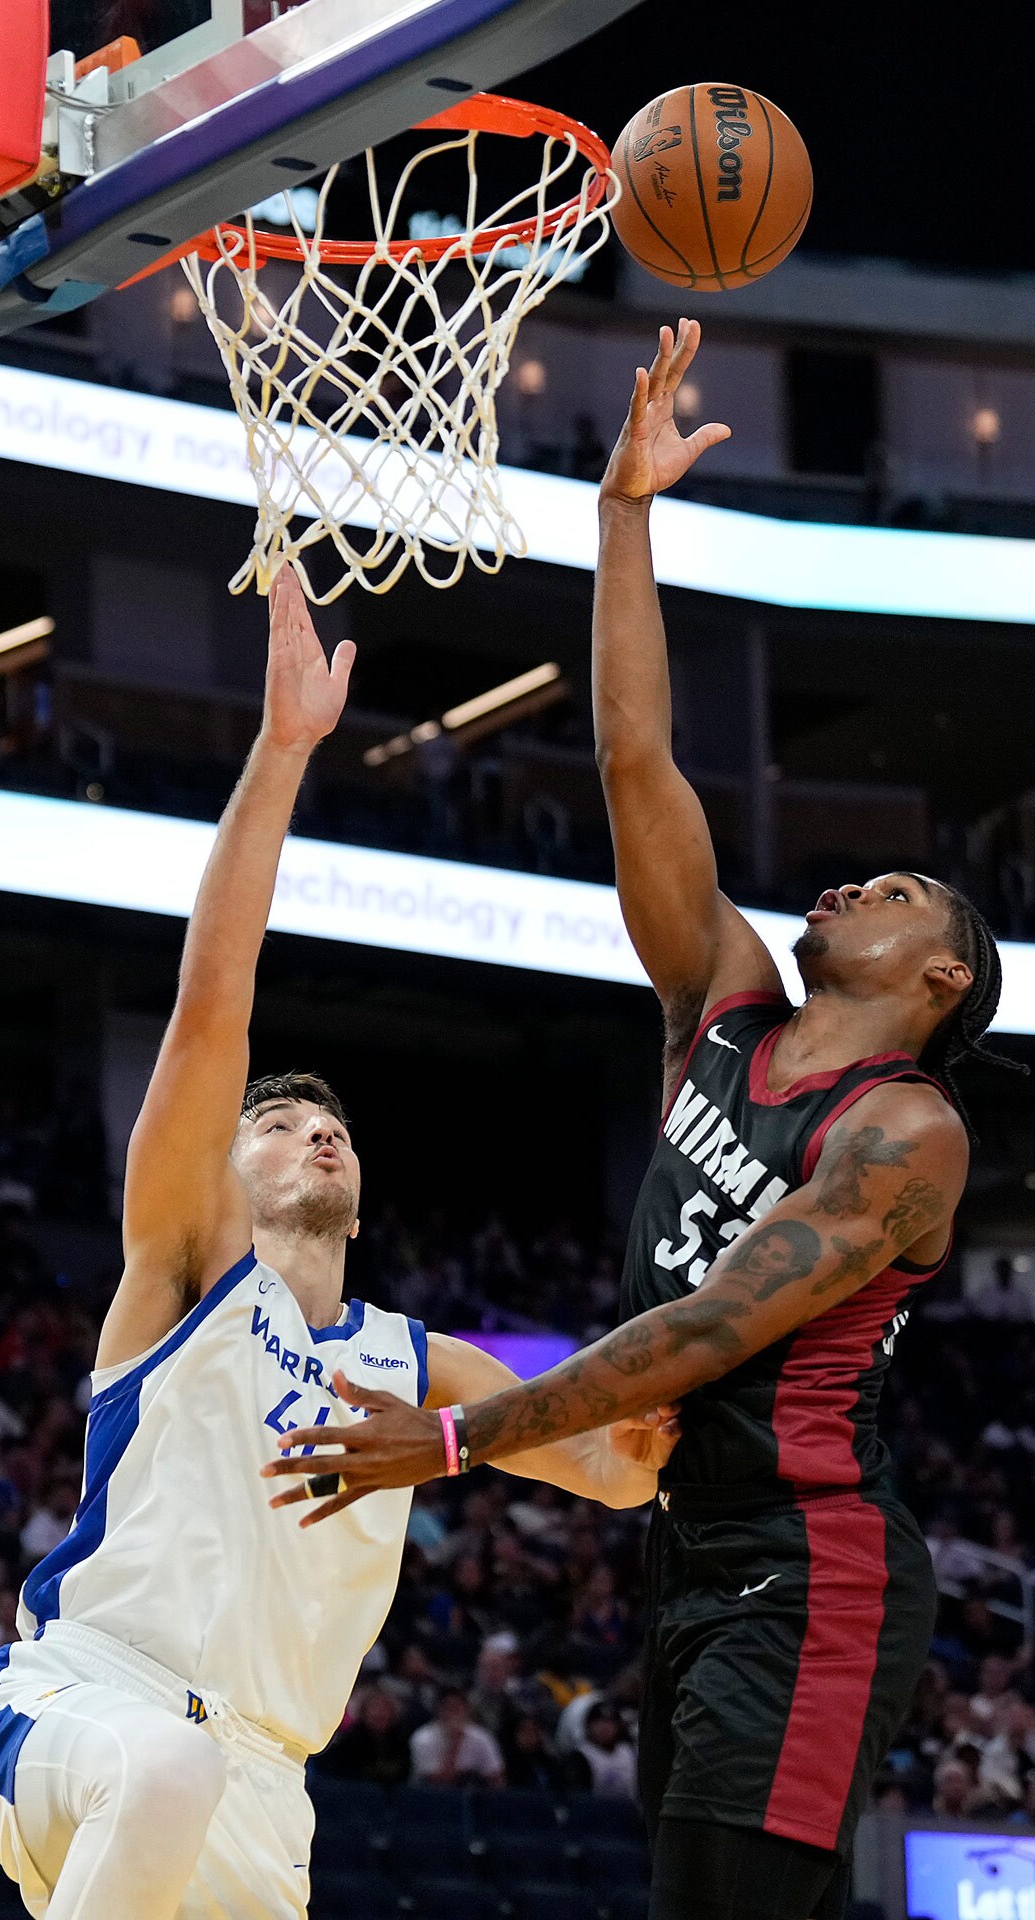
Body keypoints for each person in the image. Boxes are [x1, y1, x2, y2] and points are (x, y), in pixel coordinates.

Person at [267, 323, 1022, 1920]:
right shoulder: (728, 1001)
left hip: (810, 1564)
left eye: (888, 890)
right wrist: (621, 515)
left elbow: (709, 1328)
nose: (846, 883)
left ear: (943, 976)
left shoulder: (909, 1135)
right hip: (696, 1547)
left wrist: (468, 1435)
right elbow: (633, 761)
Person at [0, 566, 674, 1920]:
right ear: (225, 1169)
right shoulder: (185, 1272)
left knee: (189, 1784)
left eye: (331, 1124)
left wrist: (651, 1431)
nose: (314, 1131)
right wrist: (284, 755)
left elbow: (614, 1476)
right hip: (82, 1702)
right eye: (278, 1123)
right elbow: (208, 1008)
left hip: (267, 1795)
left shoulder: (425, 1359)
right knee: (160, 1768)